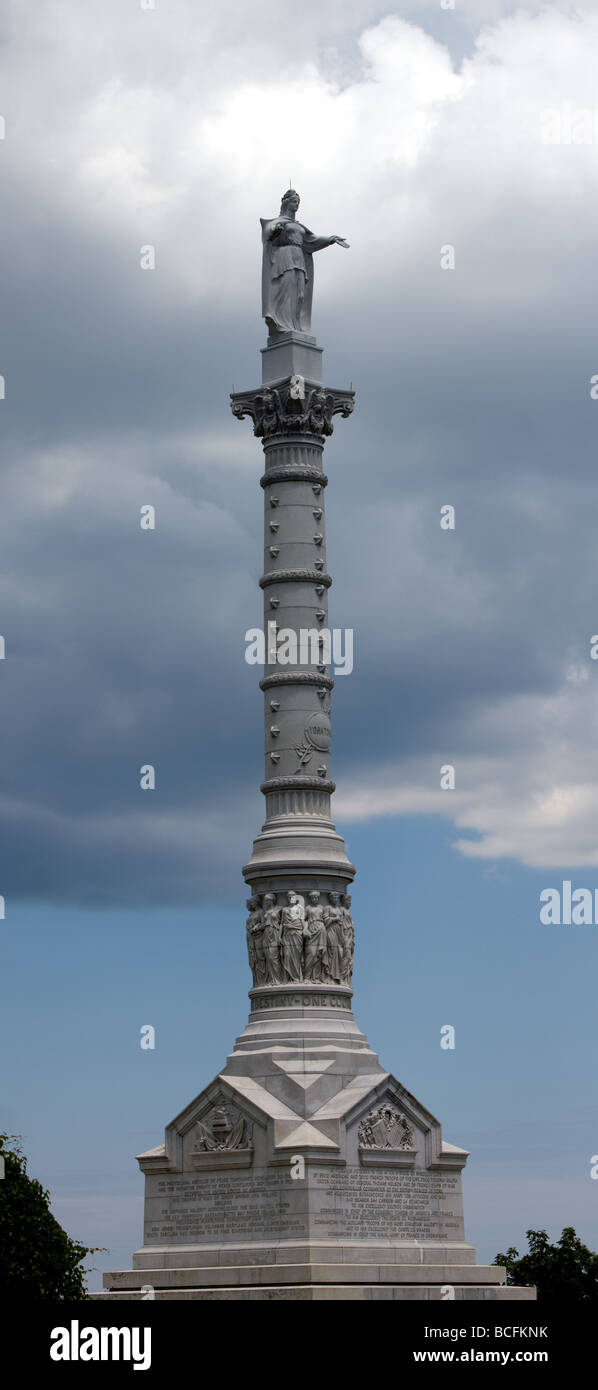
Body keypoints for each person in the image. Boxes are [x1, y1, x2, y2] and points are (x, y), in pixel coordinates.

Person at [261, 189, 349, 335]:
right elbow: (269, 231)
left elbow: (312, 240)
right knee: (286, 291)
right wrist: (275, 230)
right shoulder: (279, 222)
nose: (297, 205)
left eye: (298, 202)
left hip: (299, 258)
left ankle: (296, 324)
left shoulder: (300, 226)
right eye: (295, 201)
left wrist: (330, 239)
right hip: (285, 256)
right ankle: (282, 323)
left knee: (300, 294)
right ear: (286, 203)